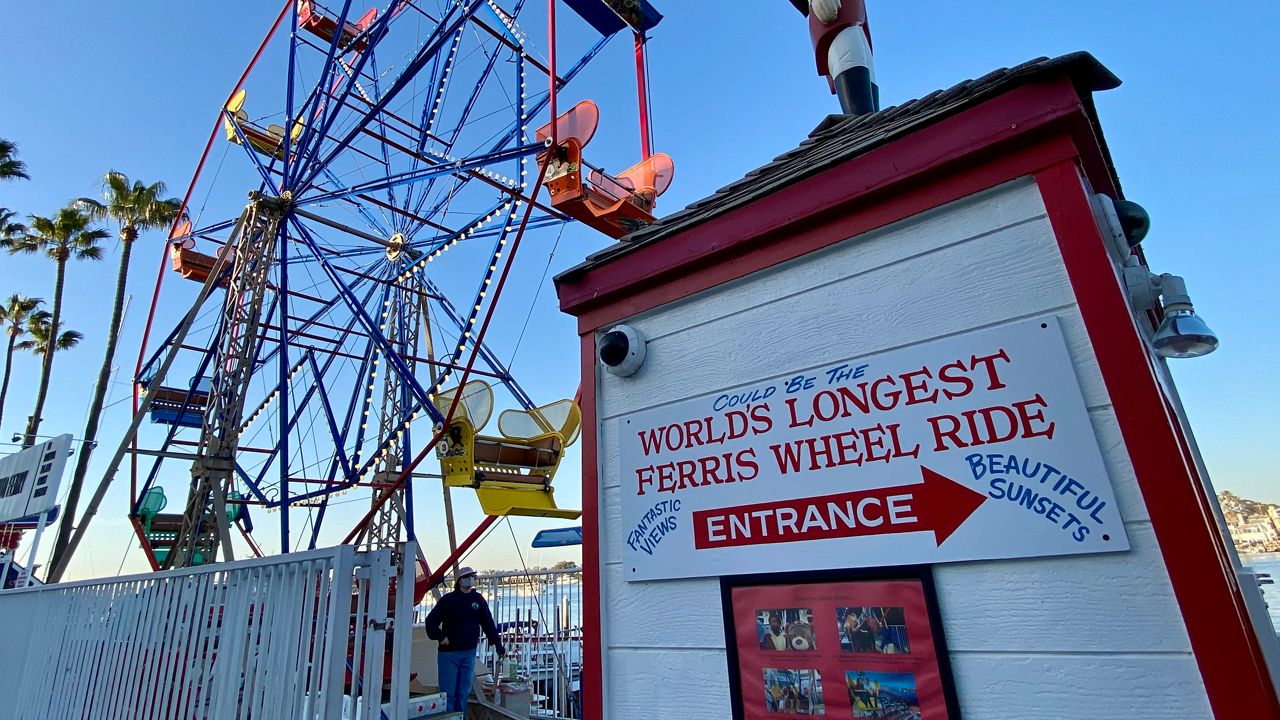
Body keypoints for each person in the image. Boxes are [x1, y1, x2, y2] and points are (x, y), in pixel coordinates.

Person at [424, 566, 507, 715]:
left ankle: (460, 717)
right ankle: (449, 718)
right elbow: (430, 621)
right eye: (466, 577)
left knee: (463, 693)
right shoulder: (448, 600)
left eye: (472, 577)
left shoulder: (478, 600)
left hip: (468, 653)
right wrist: (440, 636)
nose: (470, 580)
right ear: (459, 581)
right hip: (448, 655)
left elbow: (488, 623)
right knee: (448, 693)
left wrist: (498, 645)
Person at [786, 0, 880, 116]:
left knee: (865, 64)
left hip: (857, 13)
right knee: (848, 49)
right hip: (837, 14)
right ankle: (863, 124)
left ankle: (871, 123)